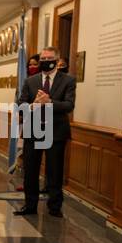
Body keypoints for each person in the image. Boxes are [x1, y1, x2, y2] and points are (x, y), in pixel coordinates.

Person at [15, 45, 76, 217]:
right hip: (33, 131)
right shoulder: (30, 81)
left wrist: (49, 102)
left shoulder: (68, 81)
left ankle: (55, 207)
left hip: (56, 131)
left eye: (49, 60)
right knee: (31, 171)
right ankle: (30, 205)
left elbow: (69, 105)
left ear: (57, 61)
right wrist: (33, 105)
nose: (46, 62)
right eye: (43, 60)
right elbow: (21, 105)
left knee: (54, 171)